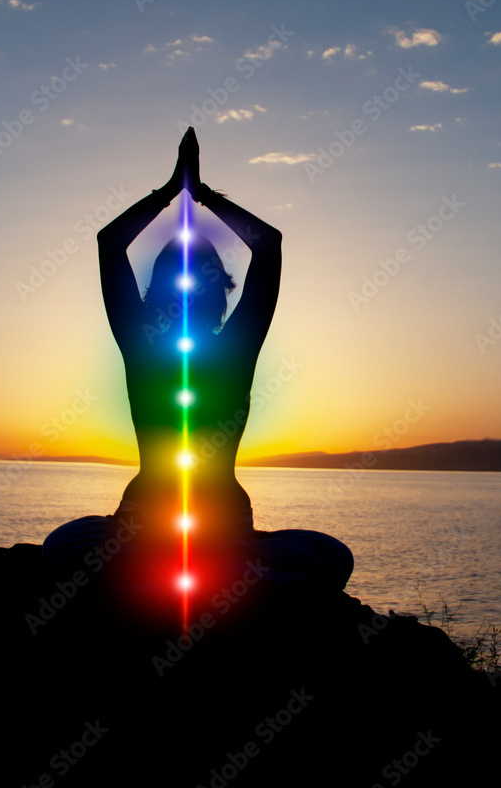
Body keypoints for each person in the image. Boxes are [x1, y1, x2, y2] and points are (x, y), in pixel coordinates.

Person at [42, 129, 353, 608]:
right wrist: (192, 193)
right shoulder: (169, 346)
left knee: (65, 550)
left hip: (180, 529)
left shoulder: (163, 346)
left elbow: (112, 242)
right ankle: (234, 575)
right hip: (173, 525)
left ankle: (160, 571)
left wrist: (180, 192)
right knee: (326, 559)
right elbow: (266, 245)